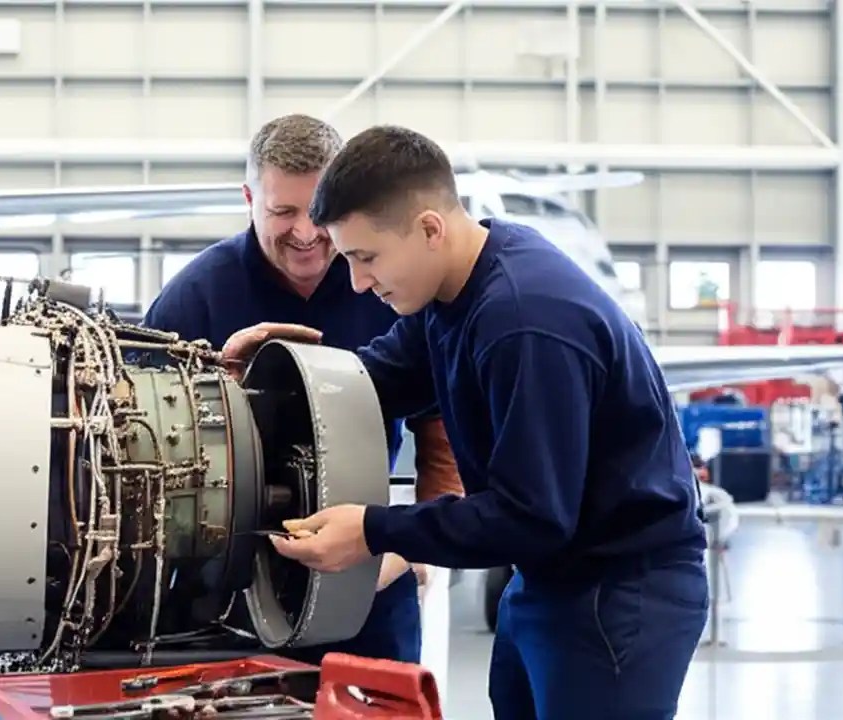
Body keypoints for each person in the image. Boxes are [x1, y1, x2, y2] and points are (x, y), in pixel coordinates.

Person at [219, 125, 710, 719]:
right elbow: (374, 380)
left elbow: (531, 516)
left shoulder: (524, 322)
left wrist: (375, 530)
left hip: (619, 594)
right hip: (551, 579)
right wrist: (252, 394)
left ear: (430, 228)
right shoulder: (452, 291)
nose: (357, 283)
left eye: (366, 257)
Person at [139, 113, 464, 666]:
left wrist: (419, 548)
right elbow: (133, 434)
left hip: (367, 573)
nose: (306, 233)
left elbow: (443, 417)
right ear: (248, 197)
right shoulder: (193, 299)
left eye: (317, 213)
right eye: (282, 211)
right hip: (225, 591)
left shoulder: (390, 280)